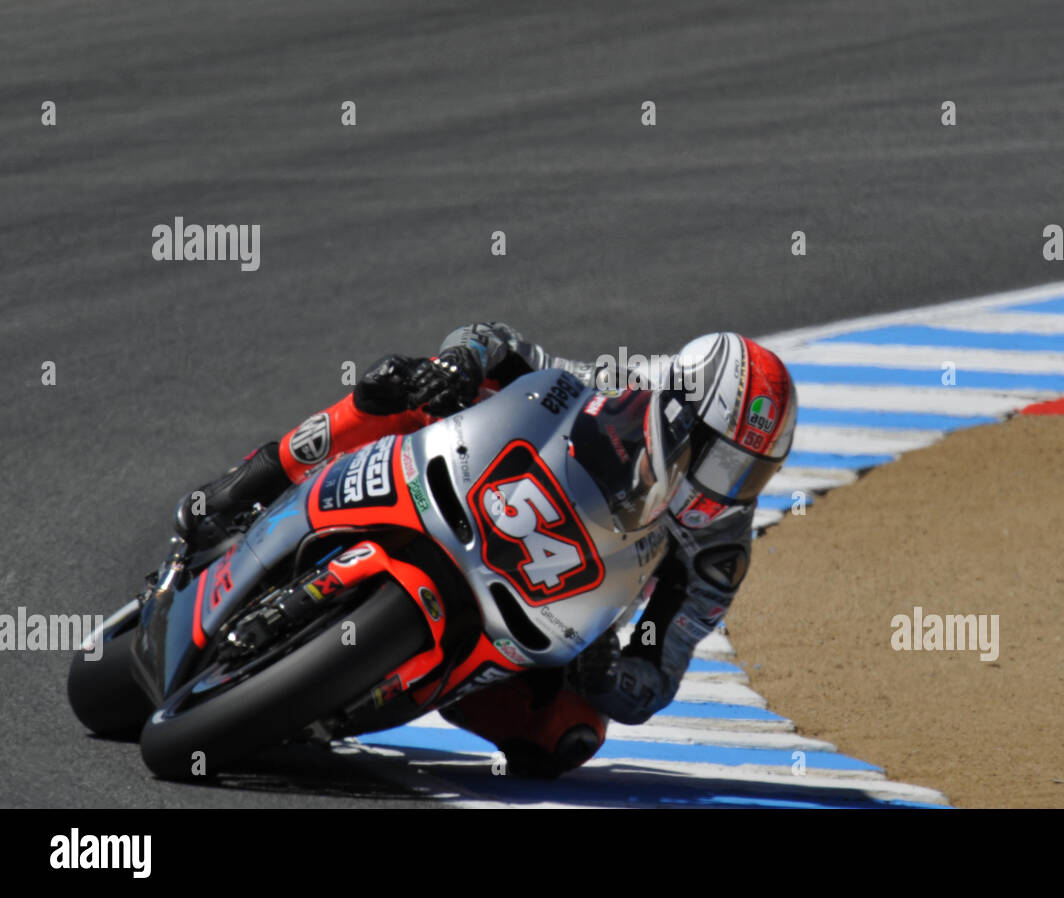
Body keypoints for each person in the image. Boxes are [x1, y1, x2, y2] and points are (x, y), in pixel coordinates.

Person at [175, 323, 797, 776]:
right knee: (397, 385)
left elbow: (659, 675)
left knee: (570, 736)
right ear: (682, 410)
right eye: (725, 460)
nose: (729, 488)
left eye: (751, 473)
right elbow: (503, 345)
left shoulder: (719, 548)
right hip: (472, 489)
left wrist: (610, 674)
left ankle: (346, 701)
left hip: (548, 611)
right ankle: (241, 487)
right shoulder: (623, 388)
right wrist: (462, 362)